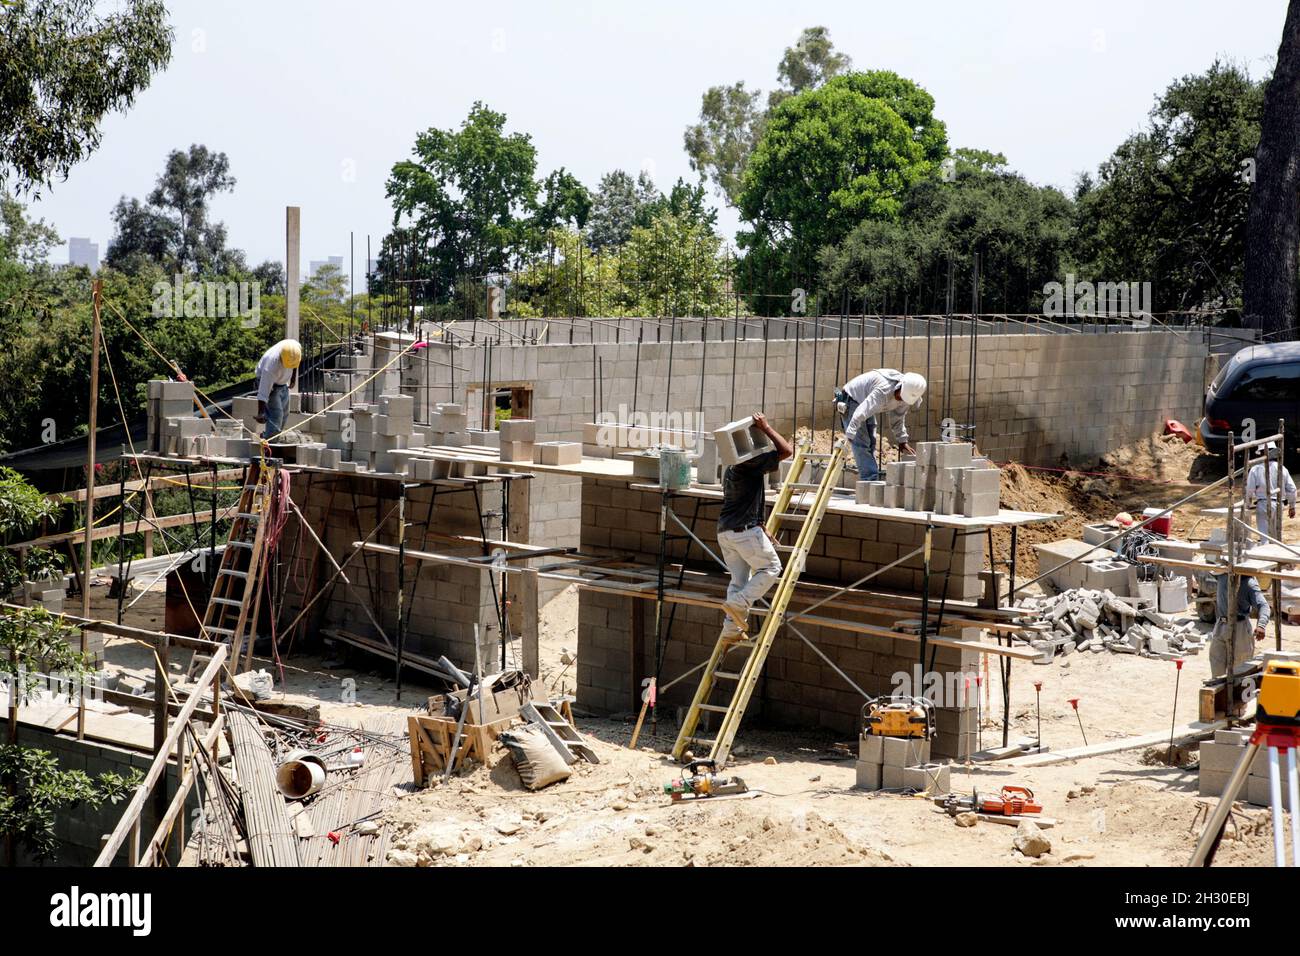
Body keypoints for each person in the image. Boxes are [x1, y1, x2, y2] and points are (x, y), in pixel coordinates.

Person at [716, 413, 793, 640]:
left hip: (726, 531)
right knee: (771, 568)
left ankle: (731, 628)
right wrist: (767, 428)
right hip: (743, 532)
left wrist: (760, 523)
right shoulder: (749, 463)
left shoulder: (731, 467)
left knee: (738, 580)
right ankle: (738, 602)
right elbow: (787, 451)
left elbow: (746, 499)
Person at [833, 369, 926, 480]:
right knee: (861, 443)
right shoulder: (883, 390)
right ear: (899, 386)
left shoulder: (908, 398)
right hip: (853, 399)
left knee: (871, 441)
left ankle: (870, 481)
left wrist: (902, 440)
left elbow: (897, 418)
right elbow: (862, 411)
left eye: (902, 398)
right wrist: (851, 432)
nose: (899, 399)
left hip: (867, 401)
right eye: (899, 395)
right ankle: (869, 482)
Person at [1211, 572, 1271, 686]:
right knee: (1216, 672)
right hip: (1221, 625)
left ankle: (1238, 701)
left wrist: (1261, 625)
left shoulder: (1249, 583)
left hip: (1240, 628)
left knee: (1240, 673)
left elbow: (1263, 606)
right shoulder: (1222, 575)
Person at [1245, 442, 1296, 539]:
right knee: (1276, 536)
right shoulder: (1282, 468)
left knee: (1264, 537)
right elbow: (1292, 488)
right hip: (1279, 504)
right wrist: (1292, 506)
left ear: (1260, 453)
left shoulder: (1255, 469)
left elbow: (1249, 490)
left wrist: (1247, 505)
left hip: (1263, 504)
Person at [254, 339, 302, 440]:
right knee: (276, 416)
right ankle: (269, 444)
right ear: (281, 357)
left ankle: (272, 437)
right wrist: (261, 412)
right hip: (270, 385)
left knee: (285, 413)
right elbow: (263, 391)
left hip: (282, 384)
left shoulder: (295, 349)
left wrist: (293, 377)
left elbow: (295, 363)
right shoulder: (271, 366)